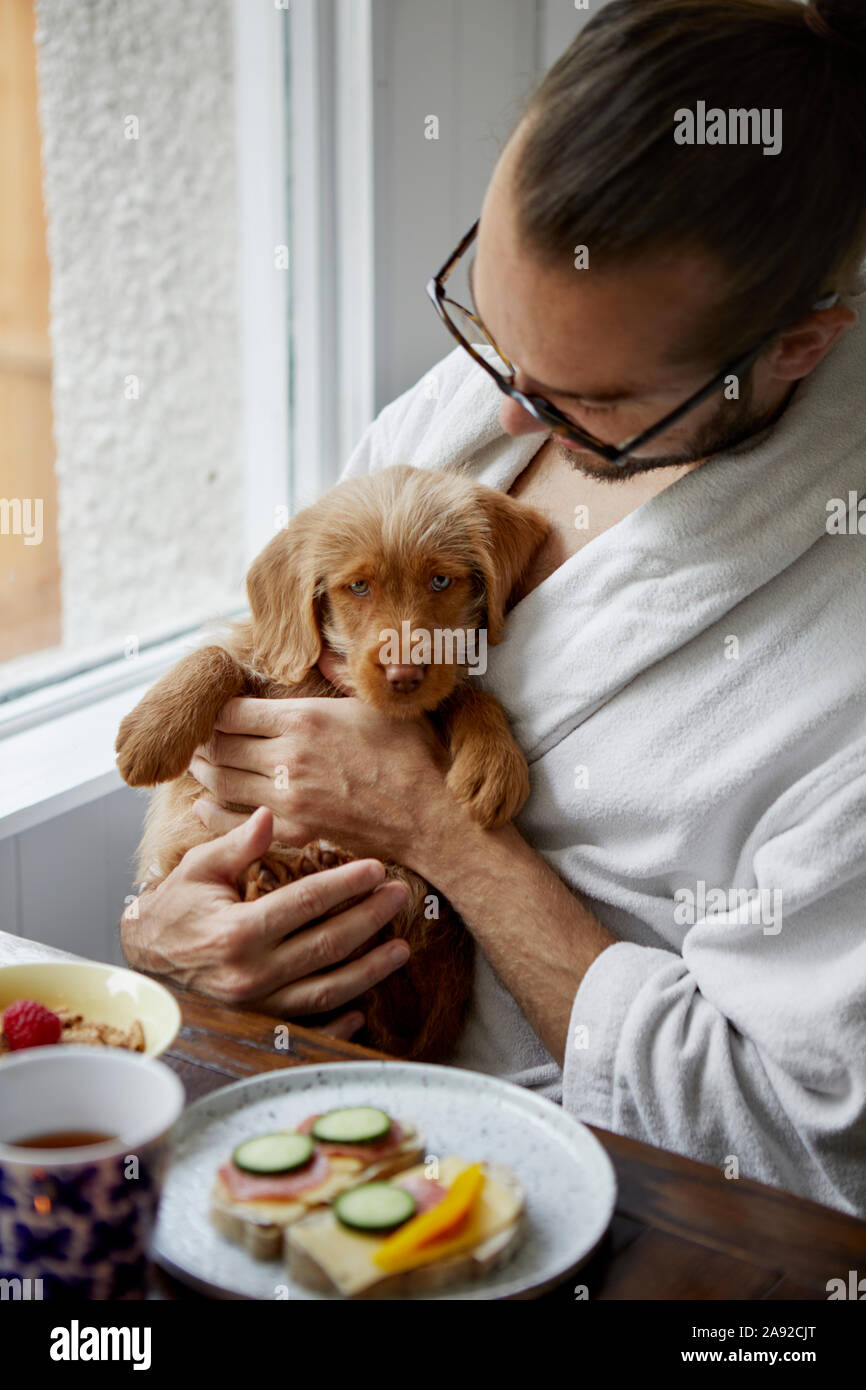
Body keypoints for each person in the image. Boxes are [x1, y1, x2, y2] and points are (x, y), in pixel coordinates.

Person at [121, 0, 866, 1216]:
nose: (506, 416)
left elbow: (788, 1140)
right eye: (486, 324)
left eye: (588, 401)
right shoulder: (500, 387)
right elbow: (279, 653)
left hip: (555, 1203)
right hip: (263, 1103)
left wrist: (438, 830)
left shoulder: (838, 650)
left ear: (796, 349)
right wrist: (169, 922)